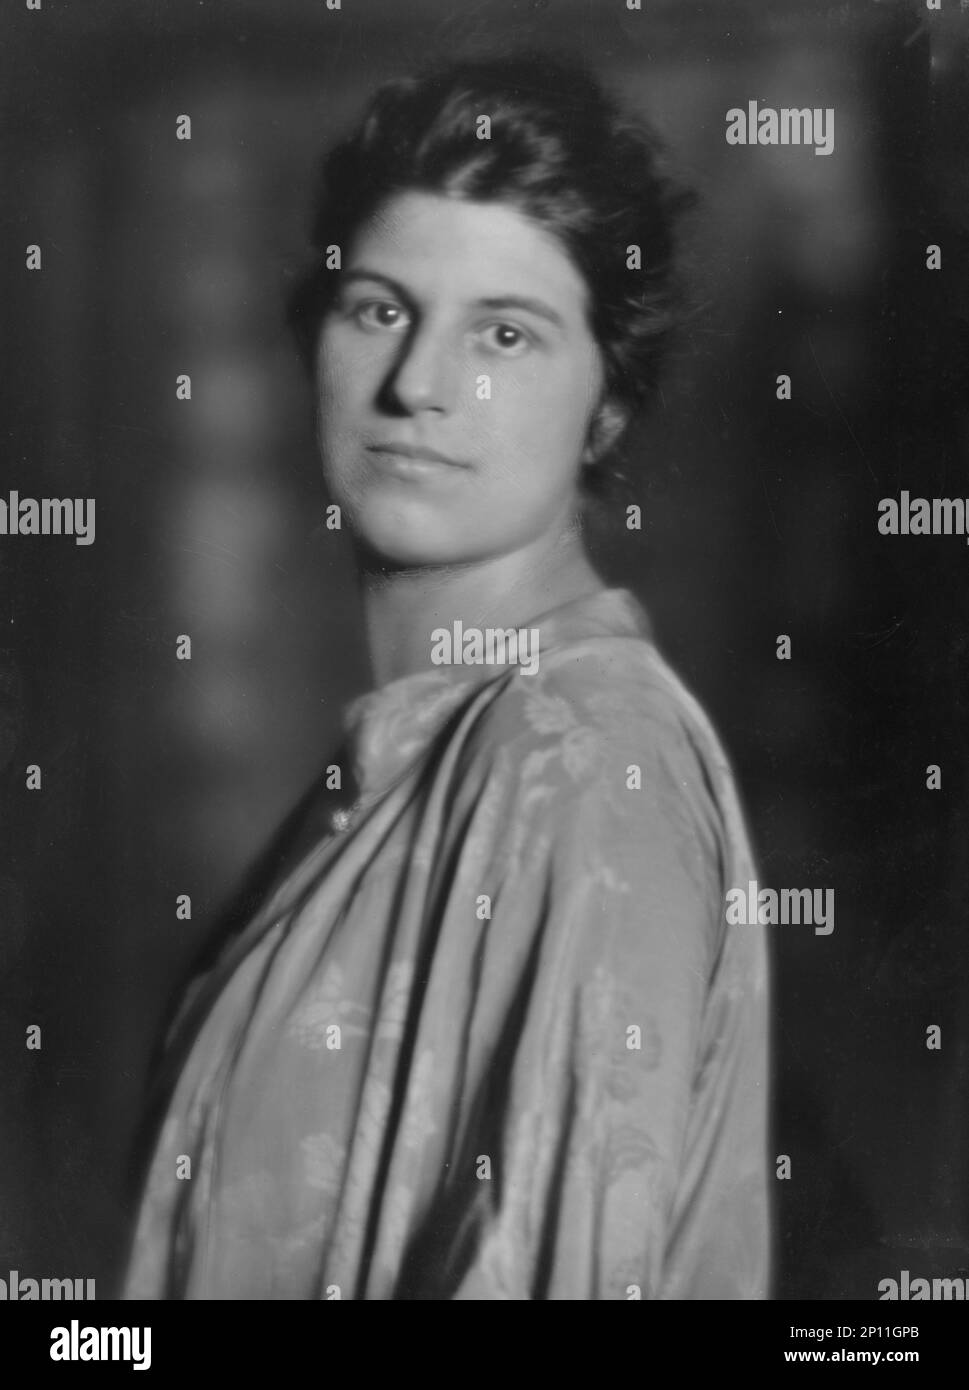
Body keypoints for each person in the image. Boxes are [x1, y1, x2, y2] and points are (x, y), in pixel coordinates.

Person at [122, 52, 770, 1301]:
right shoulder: (415, 756)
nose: (418, 384)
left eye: (507, 334)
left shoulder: (582, 762)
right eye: (379, 309)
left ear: (608, 408)